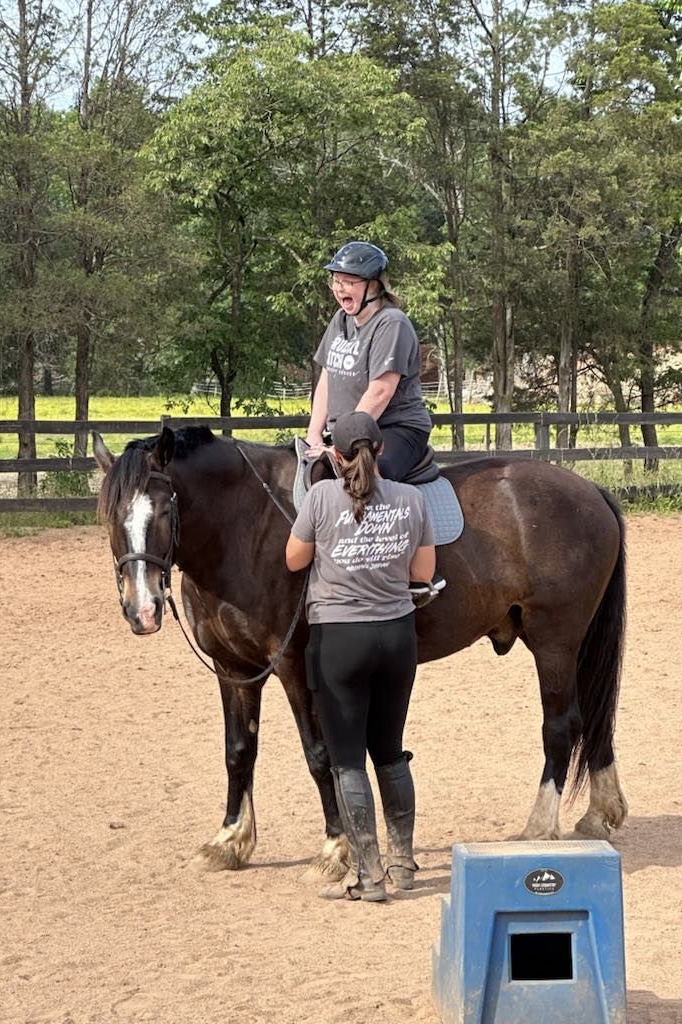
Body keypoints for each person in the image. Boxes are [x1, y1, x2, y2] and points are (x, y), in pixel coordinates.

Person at [286, 410, 436, 902]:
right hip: (396, 638)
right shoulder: (413, 499)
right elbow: (423, 573)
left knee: (348, 762)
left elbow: (294, 560)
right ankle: (404, 865)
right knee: (391, 752)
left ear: (335, 454)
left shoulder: (321, 497)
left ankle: (369, 877)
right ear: (382, 449)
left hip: (339, 643)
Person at [306, 241, 433, 482]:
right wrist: (314, 435)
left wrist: (343, 447)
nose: (339, 288)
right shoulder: (340, 320)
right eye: (336, 280)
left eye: (348, 282)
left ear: (374, 285)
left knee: (364, 479)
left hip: (394, 429)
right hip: (351, 433)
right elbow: (327, 379)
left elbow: (380, 392)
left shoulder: (392, 323)